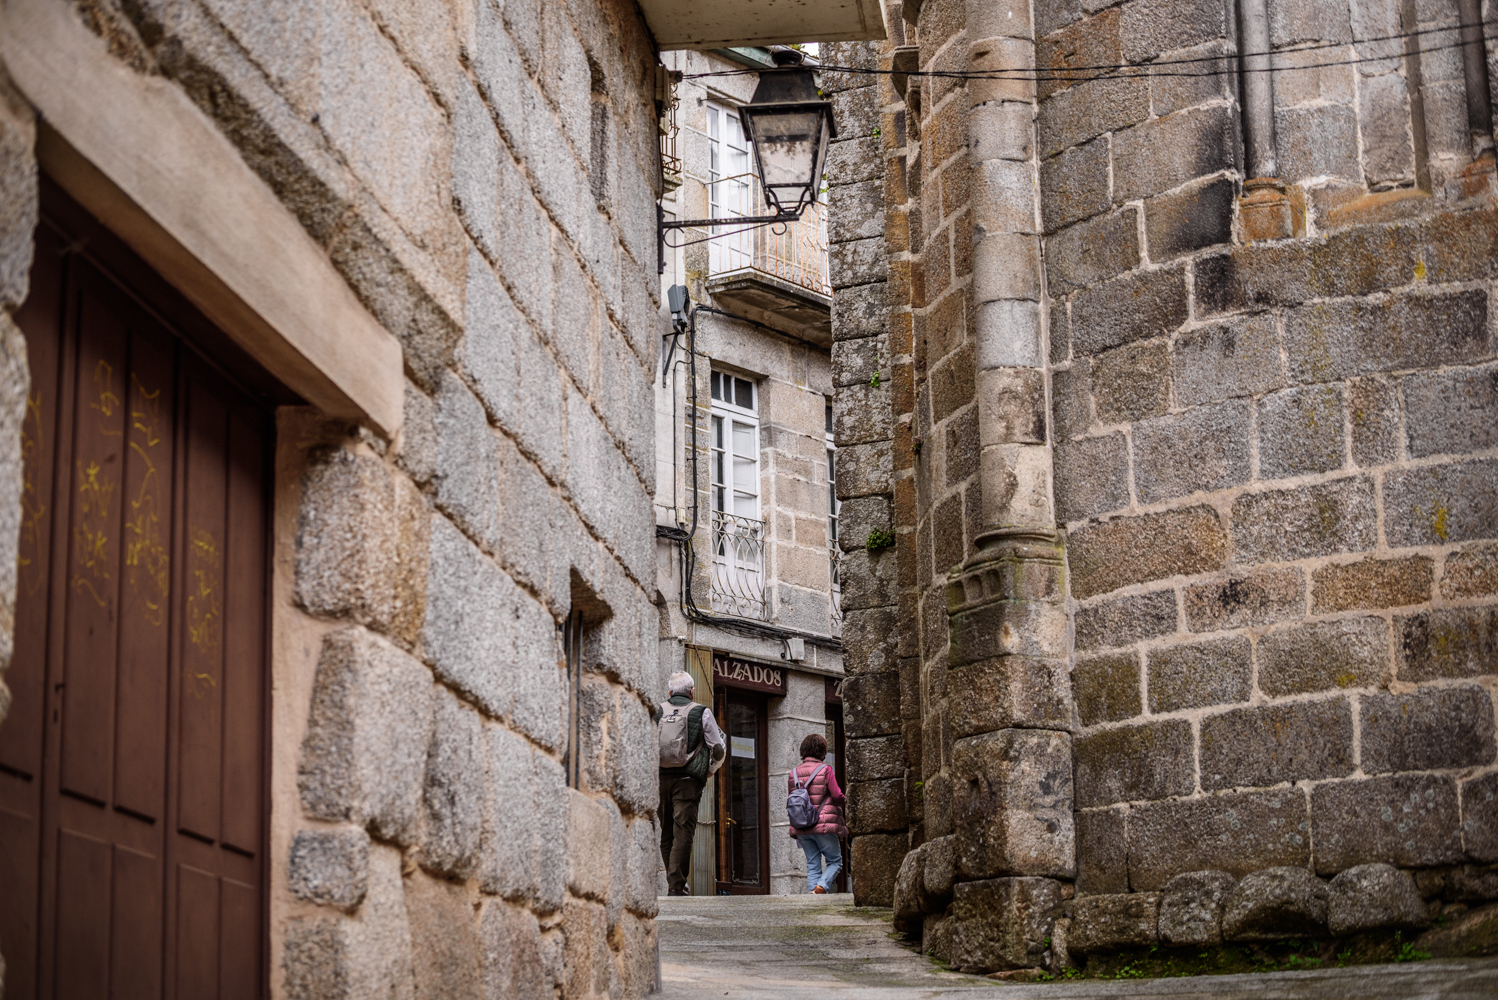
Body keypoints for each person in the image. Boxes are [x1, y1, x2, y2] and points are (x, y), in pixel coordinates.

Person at [657, 671, 726, 896]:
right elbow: (717, 747)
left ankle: (674, 883)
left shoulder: (657, 711)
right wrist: (711, 769)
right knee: (683, 831)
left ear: (669, 692)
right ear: (692, 691)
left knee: (666, 832)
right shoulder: (701, 711)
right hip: (688, 780)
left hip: (660, 779)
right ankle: (677, 886)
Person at [787, 733, 847, 894]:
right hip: (823, 824)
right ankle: (821, 888)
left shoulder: (793, 773)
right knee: (835, 861)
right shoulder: (825, 769)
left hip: (802, 826)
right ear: (822, 751)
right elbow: (836, 795)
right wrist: (846, 803)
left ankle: (813, 899)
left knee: (813, 864)